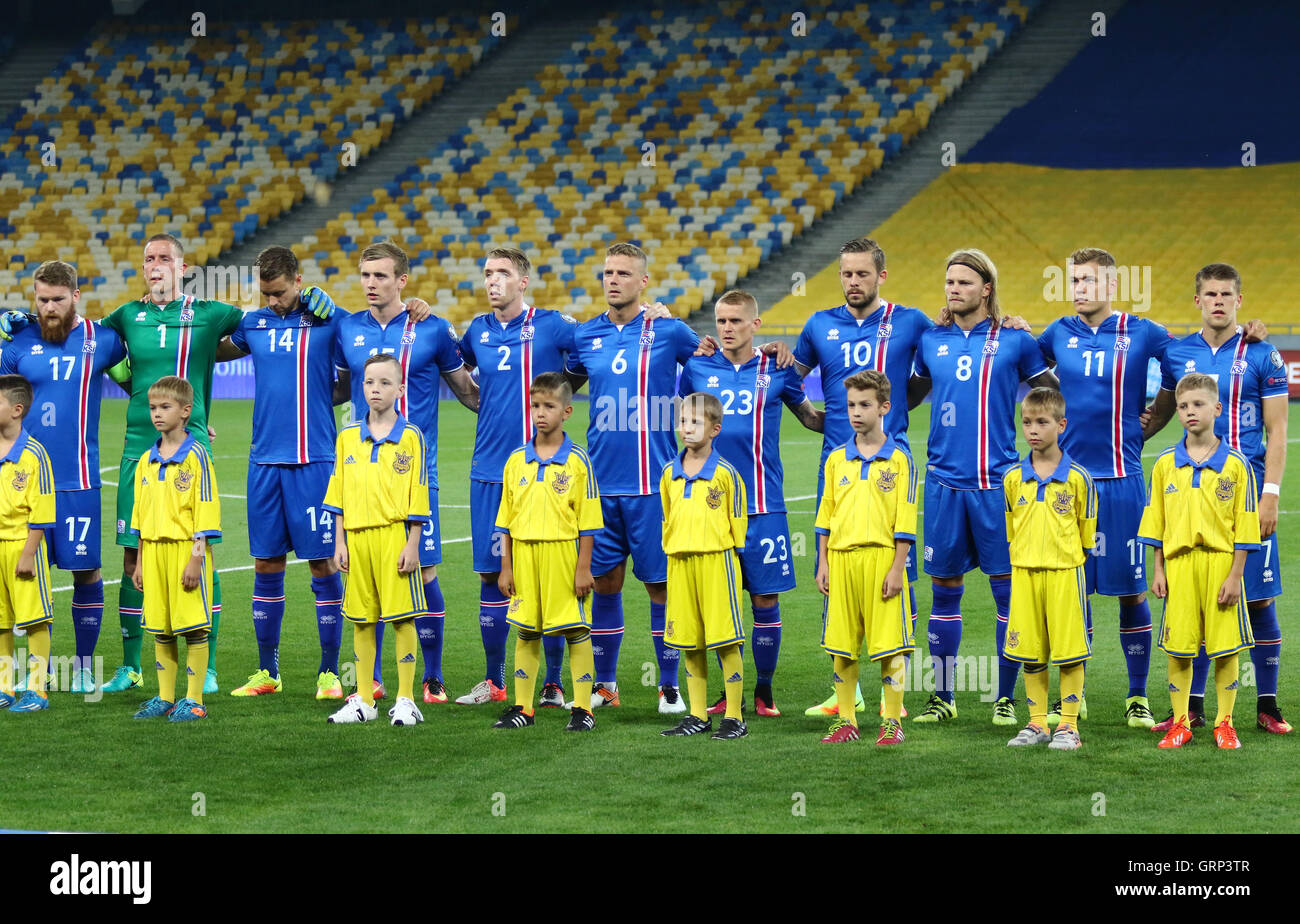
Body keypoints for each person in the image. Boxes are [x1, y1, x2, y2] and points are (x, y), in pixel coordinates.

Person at [25, 233, 334, 696]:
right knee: (134, 553)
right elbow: (76, 333)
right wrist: (25, 321)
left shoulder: (212, 313)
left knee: (199, 551)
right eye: (149, 258)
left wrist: (312, 299)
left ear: (182, 267)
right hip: (138, 450)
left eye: (165, 258)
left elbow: (269, 321)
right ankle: (131, 666)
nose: (156, 264)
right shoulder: (124, 317)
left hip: (191, 450)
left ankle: (205, 668)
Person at [908, 248, 1058, 725]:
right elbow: (906, 398)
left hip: (999, 485)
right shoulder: (931, 340)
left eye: (965, 282)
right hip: (944, 484)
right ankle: (943, 697)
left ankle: (1005, 697)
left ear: (986, 289)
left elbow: (1055, 394)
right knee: (944, 590)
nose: (954, 289)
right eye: (949, 282)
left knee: (1008, 593)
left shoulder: (1015, 341)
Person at [1144, 263, 1289, 734]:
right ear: (1198, 301)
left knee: (1257, 600)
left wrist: (1270, 495)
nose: (1219, 301)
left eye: (1227, 294)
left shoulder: (1263, 353)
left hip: (1246, 492)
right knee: (1197, 599)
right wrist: (1122, 440)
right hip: (1192, 494)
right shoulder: (1176, 353)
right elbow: (1159, 414)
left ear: (1239, 301)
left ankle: (1267, 704)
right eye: (1211, 294)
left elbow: (1278, 429)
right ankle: (1192, 708)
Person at [332, 241, 478, 704]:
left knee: (423, 572)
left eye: (380, 275)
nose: (371, 283)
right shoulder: (347, 328)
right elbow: (336, 390)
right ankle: (372, 680)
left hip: (416, 475)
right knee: (367, 575)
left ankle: (432, 677)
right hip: (363, 475)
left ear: (402, 280)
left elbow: (468, 392)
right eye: (365, 275)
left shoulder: (431, 328)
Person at [792, 238, 931, 717]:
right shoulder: (818, 324)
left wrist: (900, 408)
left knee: (899, 575)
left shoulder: (910, 321)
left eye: (862, 274)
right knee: (835, 576)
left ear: (881, 276)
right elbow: (789, 377)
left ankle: (896, 696)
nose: (853, 282)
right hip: (838, 466)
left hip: (892, 464)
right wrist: (812, 417)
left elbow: (933, 368)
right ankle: (845, 694)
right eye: (846, 274)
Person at [565, 242, 701, 713]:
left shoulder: (670, 330)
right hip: (600, 487)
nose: (613, 280)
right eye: (608, 273)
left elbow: (712, 361)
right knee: (604, 584)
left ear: (643, 281)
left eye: (624, 273)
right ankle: (606, 685)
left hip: (653, 487)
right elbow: (561, 388)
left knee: (661, 586)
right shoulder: (585, 335)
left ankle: (668, 686)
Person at [678, 288, 823, 716]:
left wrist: (863, 423)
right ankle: (729, 692)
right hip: (712, 508)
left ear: (755, 324)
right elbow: (683, 424)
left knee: (765, 601)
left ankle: (763, 691)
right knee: (721, 607)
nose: (727, 328)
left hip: (763, 504)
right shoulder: (698, 367)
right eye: (721, 321)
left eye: (736, 321)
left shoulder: (778, 369)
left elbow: (810, 418)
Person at [455, 247, 582, 707]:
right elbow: (455, 370)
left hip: (545, 472)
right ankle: (495, 681)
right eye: (488, 273)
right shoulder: (477, 331)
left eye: (503, 273)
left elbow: (595, 347)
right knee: (492, 576)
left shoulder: (553, 325)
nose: (493, 280)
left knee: (547, 577)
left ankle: (553, 683)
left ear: (523, 282)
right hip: (490, 471)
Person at [0, 261, 127, 694]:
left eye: (57, 299)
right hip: (24, 483)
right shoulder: (17, 341)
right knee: (24, 572)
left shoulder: (102, 340)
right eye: (42, 300)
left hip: (78, 479)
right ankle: (38, 670)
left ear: (76, 296)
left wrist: (193, 420)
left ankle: (85, 667)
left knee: (86, 571)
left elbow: (142, 382)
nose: (49, 308)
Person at [1138, 373, 1260, 749]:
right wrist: (1158, 569)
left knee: (1225, 647)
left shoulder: (1236, 465)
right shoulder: (1164, 464)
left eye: (1198, 404)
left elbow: (1245, 524)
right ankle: (1180, 723)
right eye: (1183, 406)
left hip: (1221, 565)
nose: (1190, 411)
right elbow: (1156, 520)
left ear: (1217, 408)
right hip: (1178, 567)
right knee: (1179, 647)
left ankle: (1225, 723)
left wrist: (1236, 575)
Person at [322, 354, 430, 727]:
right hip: (356, 540)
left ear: (400, 389)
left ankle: (406, 699)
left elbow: (419, 491)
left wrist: (413, 542)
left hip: (394, 537)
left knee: (402, 618)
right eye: (369, 382)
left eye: (385, 383)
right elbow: (337, 492)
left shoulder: (411, 437)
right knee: (362, 620)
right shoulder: (347, 437)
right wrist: (339, 542)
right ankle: (364, 700)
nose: (375, 389)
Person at [491, 372, 602, 732]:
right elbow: (505, 521)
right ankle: (523, 708)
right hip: (524, 558)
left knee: (575, 630)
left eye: (549, 406)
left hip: (562, 557)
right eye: (535, 405)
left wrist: (583, 568)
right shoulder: (515, 461)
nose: (540, 413)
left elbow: (588, 523)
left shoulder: (578, 461)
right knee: (526, 631)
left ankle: (583, 709)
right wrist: (506, 567)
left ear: (567, 411)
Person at [814, 370, 916, 746]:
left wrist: (897, 568)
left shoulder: (901, 461)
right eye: (851, 405)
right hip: (841, 562)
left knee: (891, 647)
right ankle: (846, 721)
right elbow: (825, 516)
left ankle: (892, 721)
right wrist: (823, 563)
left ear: (884, 407)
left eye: (865, 405)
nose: (856, 412)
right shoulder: (836, 460)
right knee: (842, 647)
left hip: (882, 561)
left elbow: (905, 522)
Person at [1000, 388, 1096, 750]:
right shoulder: (1013, 478)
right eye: (1027, 422)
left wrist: (1063, 558)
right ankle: (1037, 723)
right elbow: (1012, 530)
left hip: (1064, 574)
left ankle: (1068, 726)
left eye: (1042, 422)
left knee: (1069, 653)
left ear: (1061, 424)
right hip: (1024, 575)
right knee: (1030, 652)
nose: (1033, 430)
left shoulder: (1079, 478)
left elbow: (1087, 536)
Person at [128, 376, 221, 722]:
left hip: (186, 552)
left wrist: (196, 559)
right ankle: (165, 697)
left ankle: (194, 700)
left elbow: (206, 510)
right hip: (153, 554)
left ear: (185, 411)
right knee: (161, 627)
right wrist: (139, 562)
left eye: (165, 407)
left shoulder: (197, 456)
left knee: (193, 627)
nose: (156, 413)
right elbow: (139, 516)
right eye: (153, 407)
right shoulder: (146, 460)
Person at [658, 392, 749, 740]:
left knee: (725, 641)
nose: (687, 428)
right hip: (680, 564)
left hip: (717, 563)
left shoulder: (726, 474)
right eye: (683, 421)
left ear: (715, 429)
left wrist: (730, 560)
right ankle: (697, 714)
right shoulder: (669, 473)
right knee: (689, 642)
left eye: (695, 422)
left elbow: (738, 522)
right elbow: (667, 517)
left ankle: (734, 716)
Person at [0, 375, 57, 713]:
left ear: (17, 409)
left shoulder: (35, 454)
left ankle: (37, 690)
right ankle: (4, 687)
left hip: (23, 546)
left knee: (34, 619)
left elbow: (43, 511)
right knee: (0, 620)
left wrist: (28, 553)